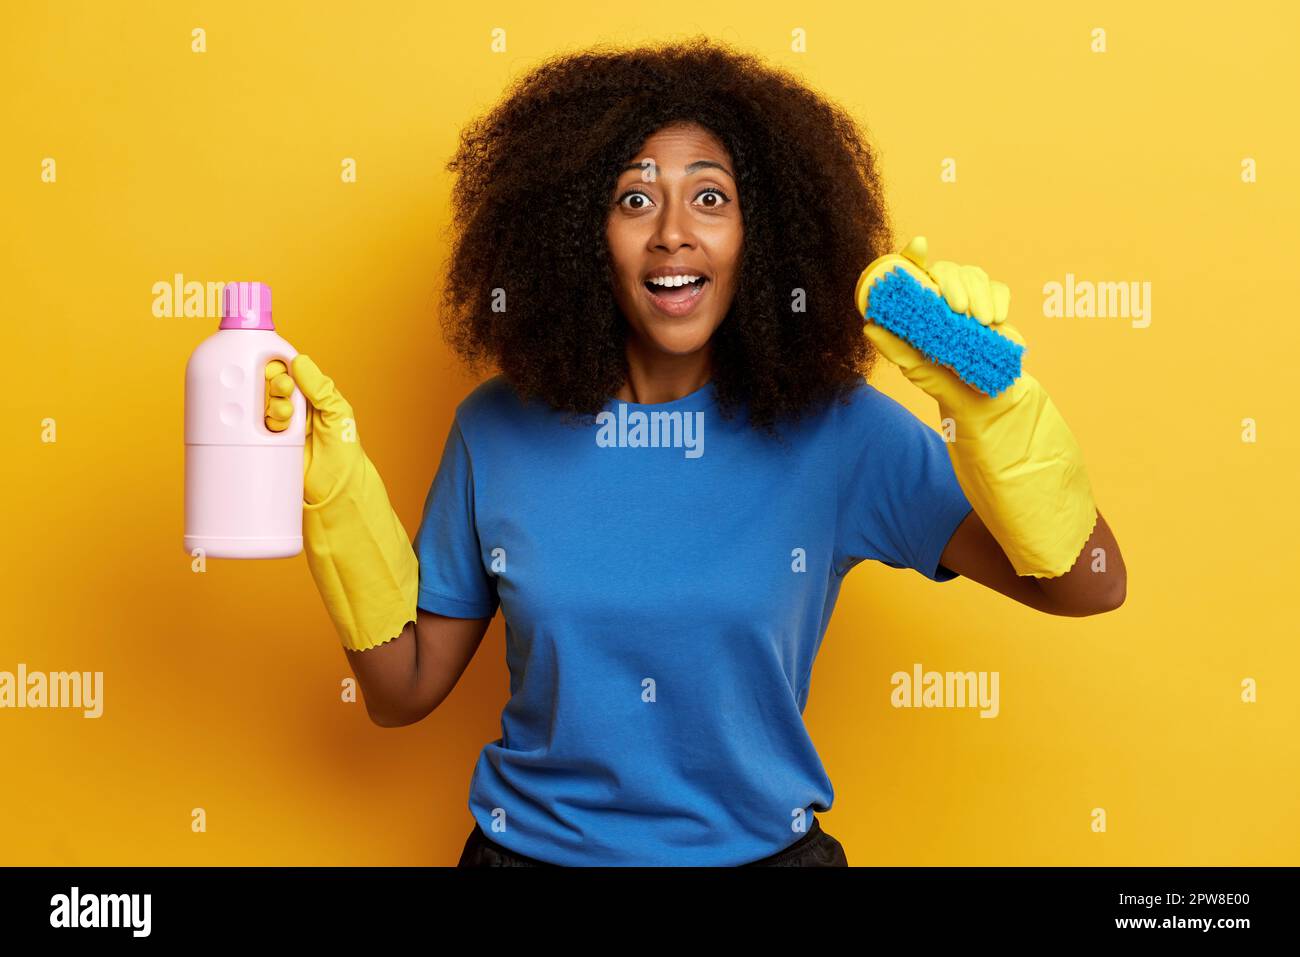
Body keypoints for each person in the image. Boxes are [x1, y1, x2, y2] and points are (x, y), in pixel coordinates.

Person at [263, 37, 1127, 867]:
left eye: (710, 198)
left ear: (764, 232)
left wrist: (1002, 421)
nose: (674, 232)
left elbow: (1089, 584)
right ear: (575, 235)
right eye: (635, 199)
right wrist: (337, 504)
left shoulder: (841, 431)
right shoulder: (495, 429)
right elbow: (401, 691)